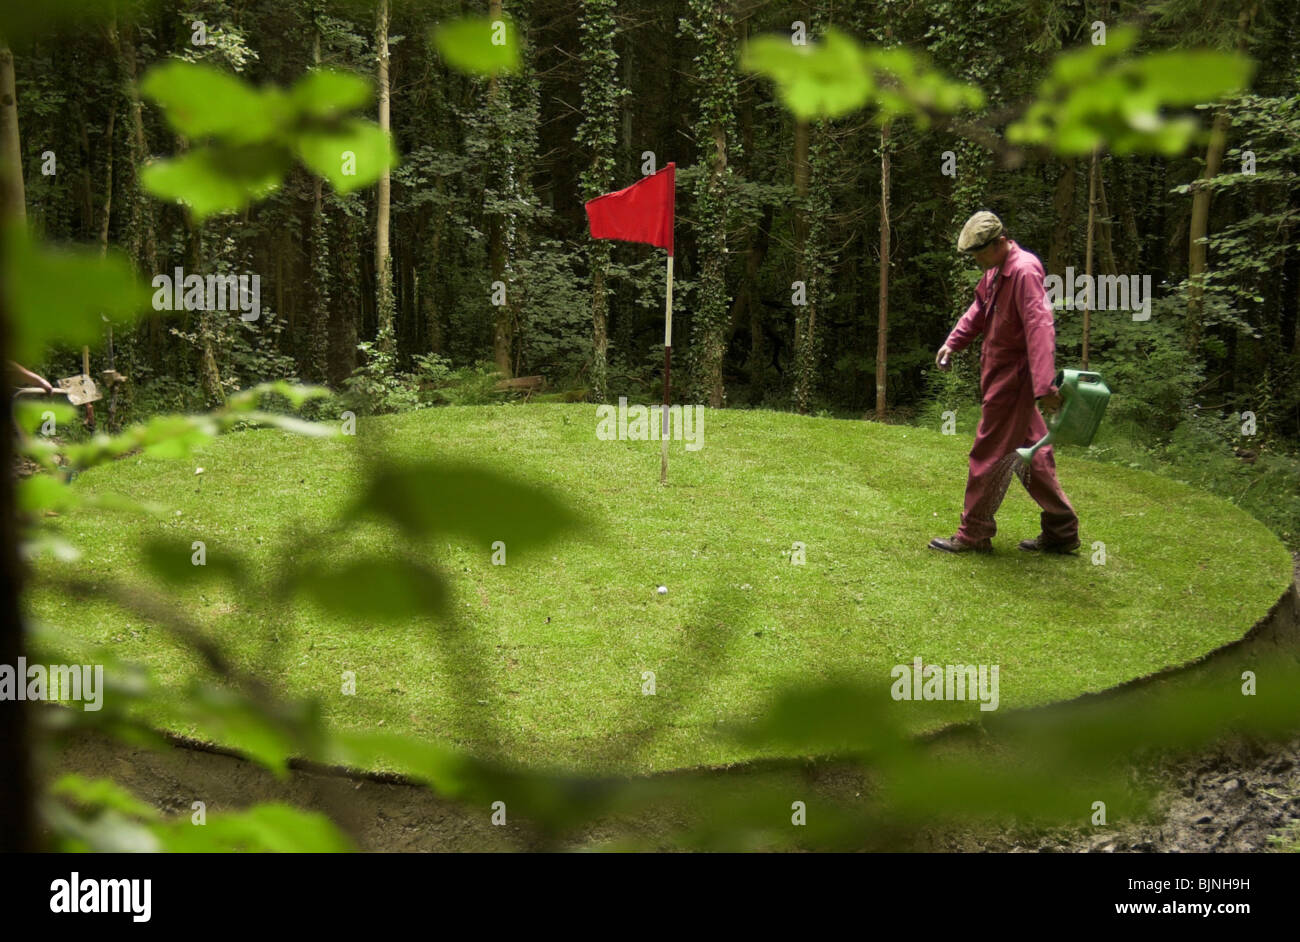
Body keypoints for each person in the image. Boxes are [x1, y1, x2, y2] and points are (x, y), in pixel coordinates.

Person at [929, 211, 1080, 555]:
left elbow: (1040, 328)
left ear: (1000, 242)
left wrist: (1045, 387)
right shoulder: (995, 271)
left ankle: (974, 533)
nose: (977, 260)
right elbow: (979, 310)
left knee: (988, 452)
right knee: (1034, 456)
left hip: (1014, 380)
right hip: (1000, 374)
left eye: (980, 253)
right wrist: (953, 342)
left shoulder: (1024, 271)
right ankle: (1062, 531)